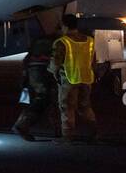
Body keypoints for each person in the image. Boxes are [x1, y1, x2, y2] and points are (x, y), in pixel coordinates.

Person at [49, 13, 97, 142]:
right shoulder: (90, 40)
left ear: (64, 26)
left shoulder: (62, 42)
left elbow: (55, 64)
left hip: (69, 80)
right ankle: (93, 132)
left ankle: (68, 136)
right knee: (85, 106)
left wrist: (54, 74)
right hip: (86, 79)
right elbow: (94, 61)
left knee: (67, 107)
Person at [11, 30, 58, 141]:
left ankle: (58, 129)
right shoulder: (56, 41)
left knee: (41, 99)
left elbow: (28, 58)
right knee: (45, 98)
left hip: (33, 70)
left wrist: (25, 76)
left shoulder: (38, 40)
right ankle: (22, 125)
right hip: (44, 70)